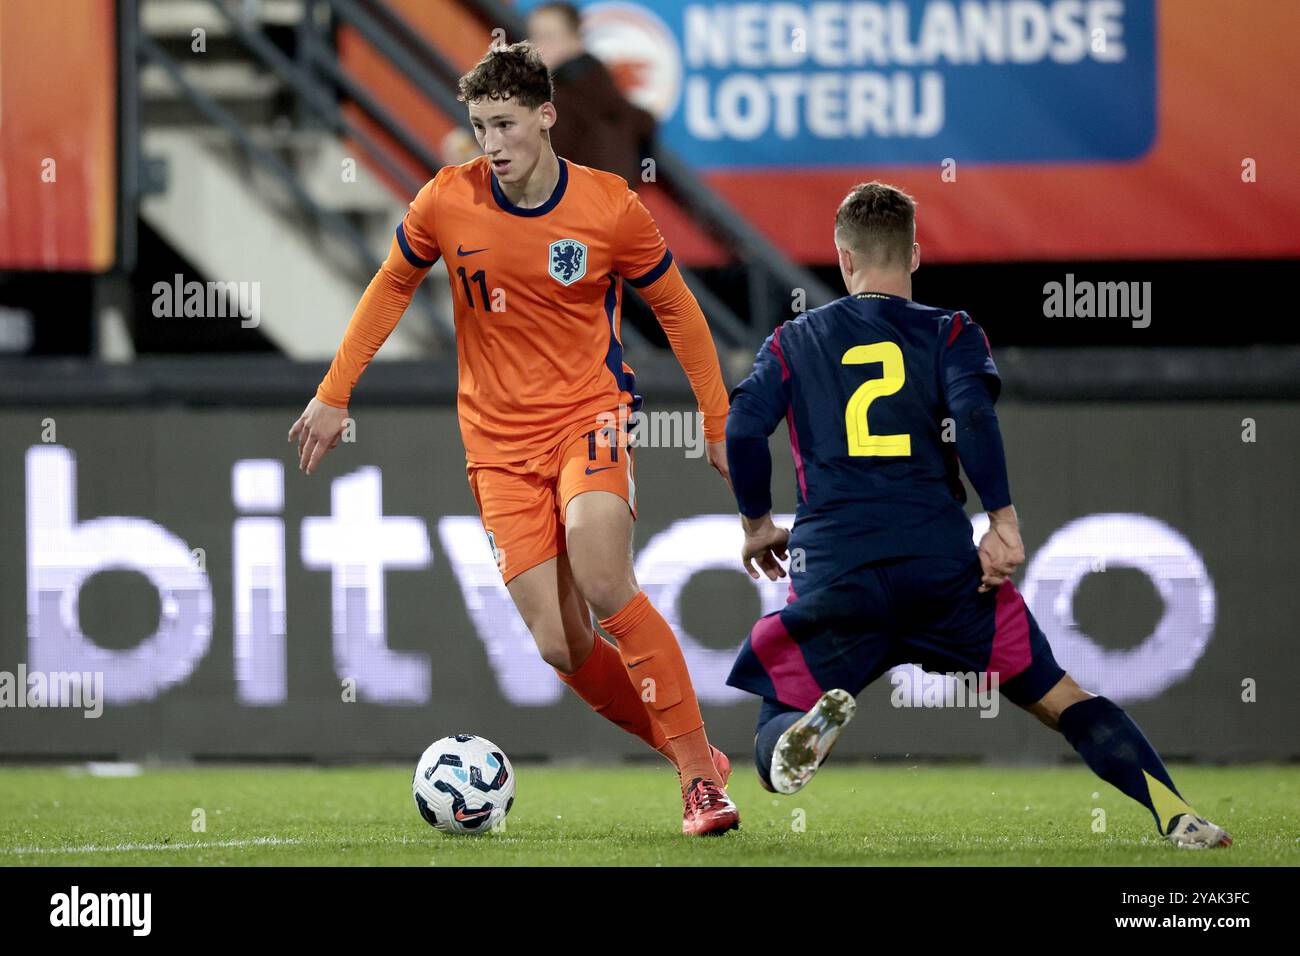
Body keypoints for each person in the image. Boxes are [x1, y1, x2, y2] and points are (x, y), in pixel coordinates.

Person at [288, 42, 738, 836]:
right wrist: (334, 391)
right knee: (562, 647)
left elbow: (678, 311)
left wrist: (716, 418)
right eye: (478, 126)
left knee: (604, 581)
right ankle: (687, 752)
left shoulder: (608, 207)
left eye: (504, 124)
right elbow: (392, 283)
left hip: (587, 420)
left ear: (545, 116)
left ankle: (702, 783)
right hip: (496, 445)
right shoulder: (446, 201)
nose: (490, 144)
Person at [722, 181, 1231, 849]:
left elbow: (741, 430)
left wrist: (758, 525)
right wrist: (1003, 520)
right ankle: (1175, 813)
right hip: (940, 567)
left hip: (837, 567)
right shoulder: (950, 330)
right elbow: (973, 415)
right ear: (915, 254)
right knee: (1058, 696)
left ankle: (796, 733)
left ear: (844, 260)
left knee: (779, 716)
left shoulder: (794, 341)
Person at [526, 2, 657, 189]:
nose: (537, 46)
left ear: (577, 40)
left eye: (549, 37)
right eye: (533, 36)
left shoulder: (564, 100)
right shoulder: (605, 94)